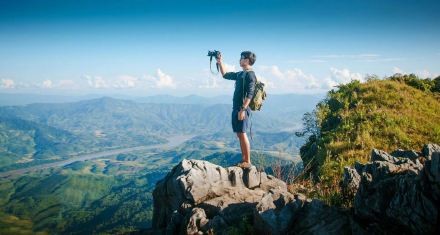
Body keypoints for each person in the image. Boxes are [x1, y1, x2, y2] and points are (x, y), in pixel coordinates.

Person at [216, 51, 257, 168]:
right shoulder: (240, 74)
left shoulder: (250, 75)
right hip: (236, 108)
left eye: (242, 58)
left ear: (248, 60)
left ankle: (247, 161)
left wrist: (243, 109)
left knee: (243, 134)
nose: (240, 59)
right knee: (239, 134)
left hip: (242, 109)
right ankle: (244, 159)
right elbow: (225, 75)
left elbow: (250, 94)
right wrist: (220, 62)